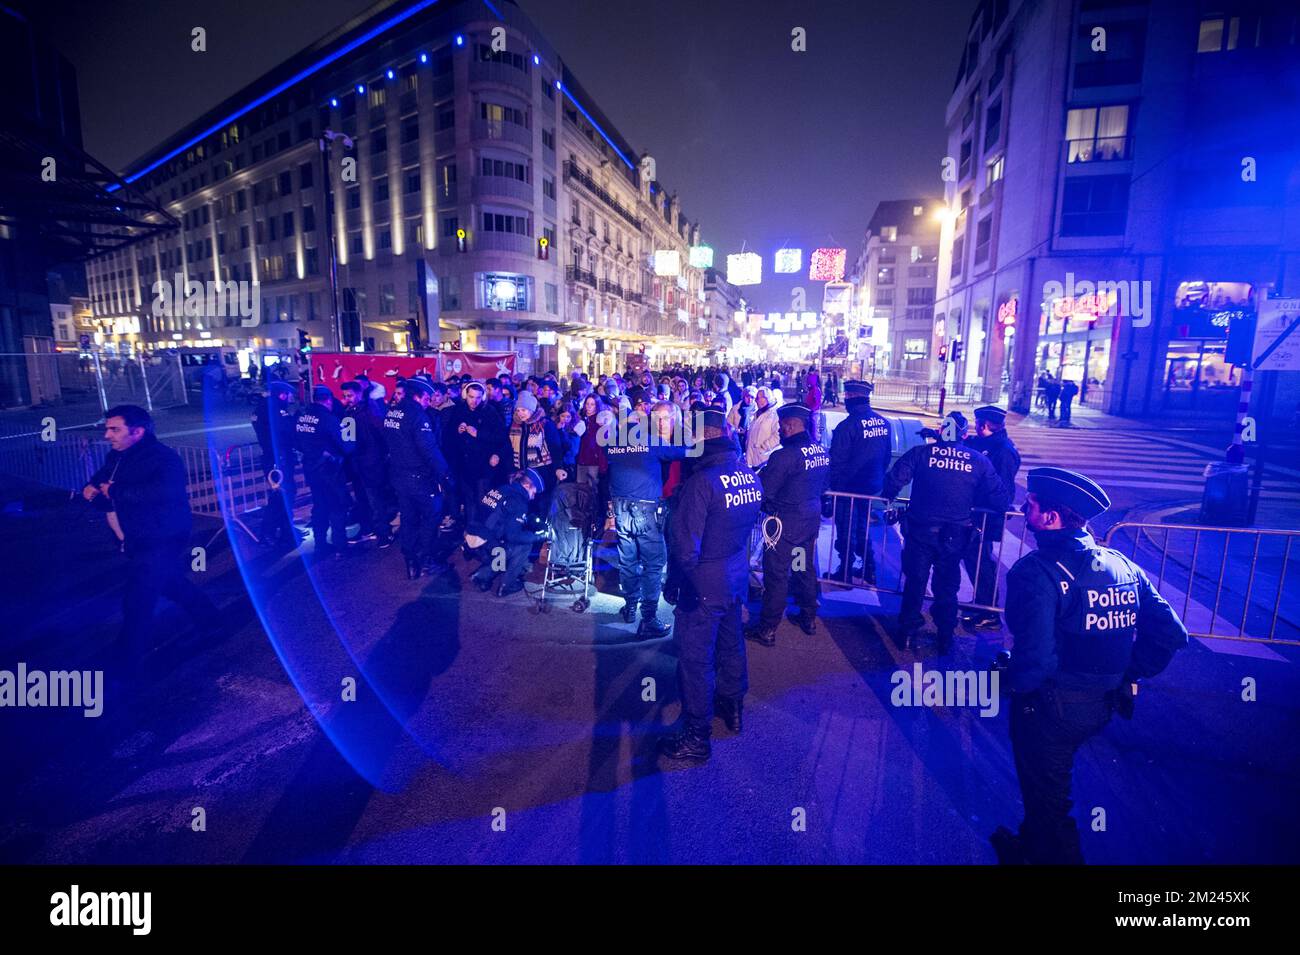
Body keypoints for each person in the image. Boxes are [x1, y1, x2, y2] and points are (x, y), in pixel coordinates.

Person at [992, 468, 1188, 865]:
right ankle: (1032, 845)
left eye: (1030, 506)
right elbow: (1171, 633)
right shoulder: (1121, 565)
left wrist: (1008, 682)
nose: (1022, 510)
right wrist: (1128, 673)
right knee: (1047, 787)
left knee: (1048, 798)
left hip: (1051, 710)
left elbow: (1036, 661)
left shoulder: (1036, 572)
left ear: (1051, 518)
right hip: (1101, 704)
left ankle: (1051, 856)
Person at [658, 410, 764, 762]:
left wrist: (678, 583)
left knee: (695, 658)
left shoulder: (702, 481)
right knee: (731, 645)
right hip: (734, 576)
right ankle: (732, 707)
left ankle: (696, 734)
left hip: (704, 581)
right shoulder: (746, 474)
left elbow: (685, 546)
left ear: (705, 436)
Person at [82, 405, 219, 675]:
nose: (108, 435)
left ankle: (125, 657)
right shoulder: (117, 457)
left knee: (138, 596)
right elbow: (100, 484)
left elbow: (163, 494)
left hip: (162, 536)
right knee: (171, 584)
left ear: (138, 431)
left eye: (115, 429)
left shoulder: (164, 459)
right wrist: (93, 491)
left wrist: (115, 491)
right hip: (134, 535)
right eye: (107, 429)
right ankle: (212, 622)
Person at [882, 411, 1010, 651]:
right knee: (947, 586)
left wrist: (888, 499)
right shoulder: (978, 460)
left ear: (941, 431)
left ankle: (907, 632)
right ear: (963, 434)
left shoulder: (921, 453)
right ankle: (945, 634)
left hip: (920, 531)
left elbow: (893, 480)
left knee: (915, 582)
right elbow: (1000, 499)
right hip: (955, 536)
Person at [745, 404, 830, 647]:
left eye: (781, 427)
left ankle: (768, 628)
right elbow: (825, 485)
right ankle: (808, 618)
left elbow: (766, 491)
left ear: (791, 425)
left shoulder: (784, 456)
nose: (779, 431)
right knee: (803, 568)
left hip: (784, 527)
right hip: (808, 524)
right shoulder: (820, 451)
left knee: (777, 575)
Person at [604, 393, 688, 638]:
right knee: (653, 562)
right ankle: (649, 618)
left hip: (621, 507)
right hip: (644, 509)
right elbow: (684, 452)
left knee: (628, 559)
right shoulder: (652, 441)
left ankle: (630, 607)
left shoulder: (618, 440)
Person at [383, 376, 451, 579]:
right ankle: (427, 560)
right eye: (427, 398)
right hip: (420, 478)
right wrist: (446, 475)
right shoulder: (417, 416)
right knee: (431, 517)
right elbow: (429, 450)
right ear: (419, 395)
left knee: (409, 518)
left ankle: (410, 562)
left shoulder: (392, 412)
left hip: (398, 476)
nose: (428, 402)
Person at [962, 405, 1021, 630]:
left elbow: (1002, 488)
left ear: (984, 424)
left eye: (977, 422)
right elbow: (971, 447)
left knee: (981, 562)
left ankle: (988, 611)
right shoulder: (988, 443)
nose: (975, 426)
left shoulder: (1004, 451)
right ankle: (981, 604)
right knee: (975, 559)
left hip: (986, 515)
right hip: (978, 513)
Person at [828, 380, 891, 583]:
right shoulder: (883, 422)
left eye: (846, 397)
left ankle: (845, 571)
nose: (845, 401)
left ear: (852, 397)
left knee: (847, 529)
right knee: (863, 527)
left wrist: (832, 490)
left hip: (848, 489)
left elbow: (836, 462)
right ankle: (869, 568)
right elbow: (886, 456)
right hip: (871, 486)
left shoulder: (847, 426)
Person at [464, 469, 548, 597]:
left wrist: (532, 521)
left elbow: (504, 516)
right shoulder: (518, 501)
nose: (534, 496)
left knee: (505, 543)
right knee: (524, 545)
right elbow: (513, 536)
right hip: (482, 543)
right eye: (534, 492)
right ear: (526, 486)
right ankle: (506, 585)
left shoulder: (503, 488)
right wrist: (539, 536)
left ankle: (483, 575)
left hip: (470, 534)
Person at [295, 385, 352, 557]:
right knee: (337, 506)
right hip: (330, 470)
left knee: (319, 506)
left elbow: (296, 441)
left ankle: (320, 544)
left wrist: (313, 452)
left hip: (311, 469)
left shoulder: (303, 417)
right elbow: (346, 445)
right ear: (328, 400)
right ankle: (341, 547)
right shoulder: (328, 418)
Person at [339, 380, 393, 547]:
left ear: (359, 393)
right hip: (358, 465)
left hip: (372, 464)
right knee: (363, 499)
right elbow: (347, 442)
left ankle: (383, 533)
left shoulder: (371, 409)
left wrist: (383, 456)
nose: (347, 399)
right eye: (345, 396)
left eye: (350, 395)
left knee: (375, 500)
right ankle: (368, 528)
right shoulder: (349, 412)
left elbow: (383, 434)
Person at [444, 381, 503, 526]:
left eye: (477, 397)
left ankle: (485, 530)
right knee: (469, 499)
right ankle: (471, 530)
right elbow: (447, 437)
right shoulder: (458, 411)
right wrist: (457, 431)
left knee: (483, 499)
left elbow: (500, 437)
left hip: (483, 466)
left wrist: (479, 434)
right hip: (464, 466)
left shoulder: (490, 412)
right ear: (465, 395)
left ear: (483, 397)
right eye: (471, 397)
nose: (474, 401)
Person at [250, 379, 298, 548]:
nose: (291, 398)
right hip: (280, 459)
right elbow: (289, 431)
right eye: (290, 395)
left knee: (281, 496)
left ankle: (286, 531)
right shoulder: (276, 410)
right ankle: (268, 533)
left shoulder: (261, 407)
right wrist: (296, 418)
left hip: (271, 457)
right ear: (282, 395)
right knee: (282, 497)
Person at [745, 385, 782, 469]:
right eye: (757, 398)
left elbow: (778, 435)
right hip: (752, 458)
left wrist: (763, 447)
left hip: (765, 459)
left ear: (769, 398)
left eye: (763, 397)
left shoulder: (775, 414)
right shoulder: (756, 413)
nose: (759, 400)